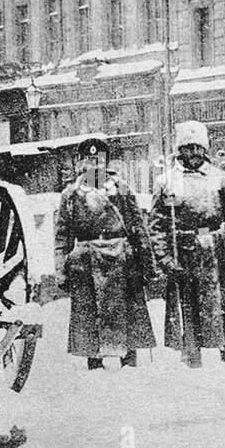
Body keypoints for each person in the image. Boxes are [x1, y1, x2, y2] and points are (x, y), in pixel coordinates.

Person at [149, 121, 225, 369]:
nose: (193, 154)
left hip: (218, 248)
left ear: (205, 149)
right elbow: (156, 225)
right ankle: (192, 357)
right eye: (187, 148)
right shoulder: (167, 181)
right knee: (189, 305)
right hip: (185, 249)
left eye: (198, 148)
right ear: (179, 151)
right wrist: (166, 260)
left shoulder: (220, 178)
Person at [54, 139, 158, 370]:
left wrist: (146, 262)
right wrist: (61, 271)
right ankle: (94, 362)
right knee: (89, 310)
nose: (94, 164)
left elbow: (138, 227)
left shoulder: (121, 188)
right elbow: (62, 237)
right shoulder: (71, 194)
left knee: (128, 309)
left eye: (99, 159)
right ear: (80, 162)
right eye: (89, 159)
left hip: (121, 256)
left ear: (107, 161)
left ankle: (129, 360)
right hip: (86, 257)